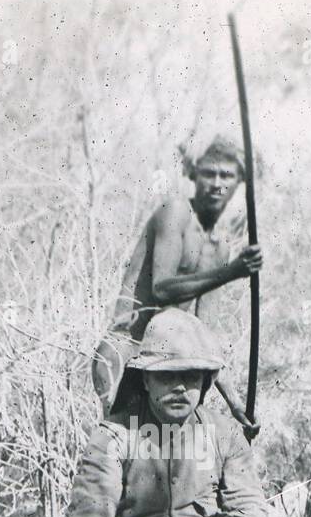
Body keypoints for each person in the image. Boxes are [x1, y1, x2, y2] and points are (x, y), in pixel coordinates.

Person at [63, 308, 273, 517]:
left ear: (205, 381)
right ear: (146, 379)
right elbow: (92, 506)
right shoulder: (115, 435)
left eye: (190, 376)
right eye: (166, 376)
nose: (179, 388)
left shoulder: (226, 435)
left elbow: (247, 511)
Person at [91, 135, 263, 433]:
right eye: (209, 173)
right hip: (127, 353)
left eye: (227, 175)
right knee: (124, 454)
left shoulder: (219, 249)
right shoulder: (176, 212)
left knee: (173, 461)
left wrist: (235, 404)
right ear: (194, 175)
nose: (216, 183)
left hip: (166, 367)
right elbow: (161, 290)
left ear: (239, 183)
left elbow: (204, 334)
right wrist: (232, 272)